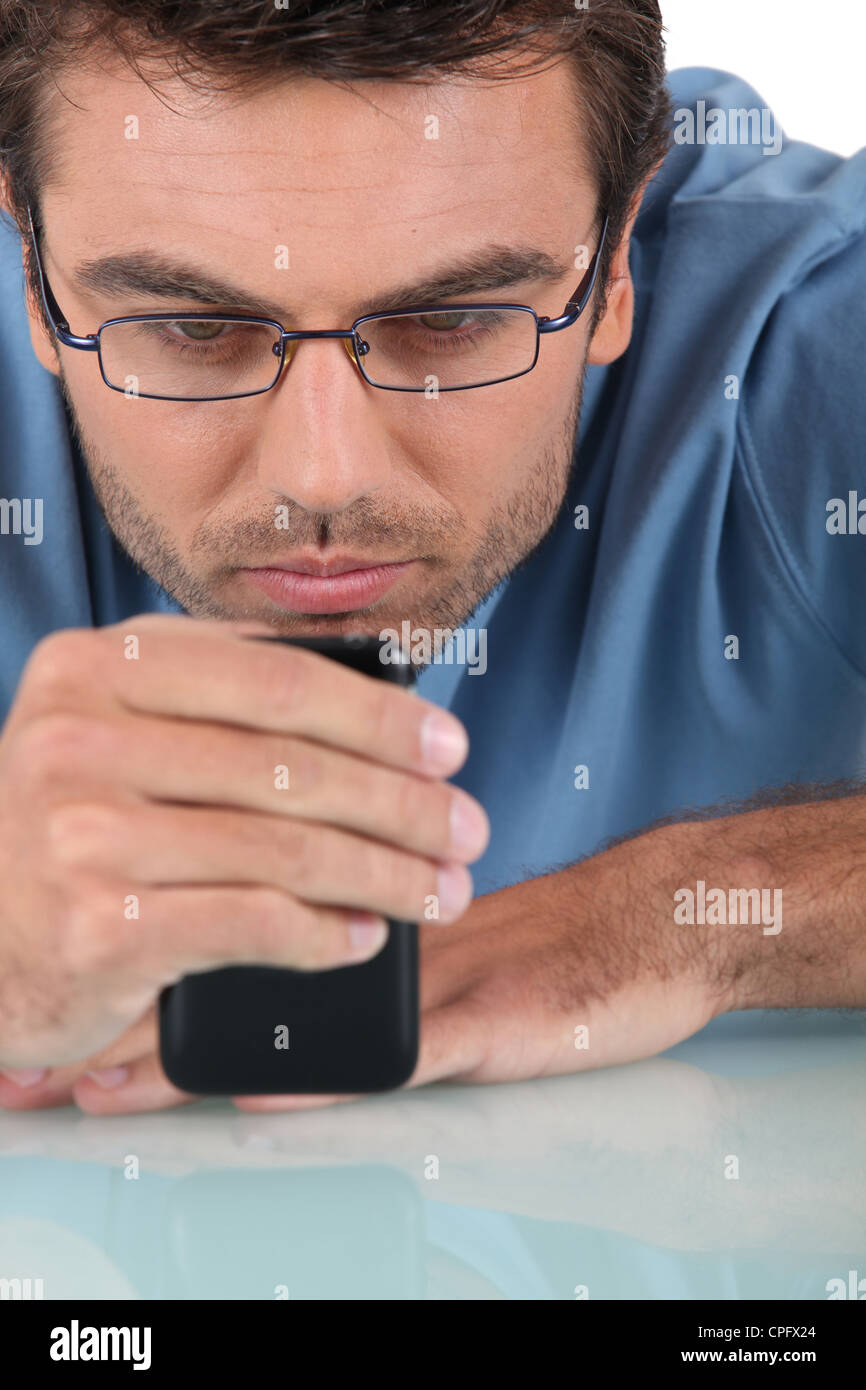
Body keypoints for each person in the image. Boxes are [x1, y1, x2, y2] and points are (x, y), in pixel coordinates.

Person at [0, 0, 864, 1117]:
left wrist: (689, 911)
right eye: (191, 325)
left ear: (611, 264)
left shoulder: (812, 339)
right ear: (30, 266)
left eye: (452, 319)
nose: (320, 476)